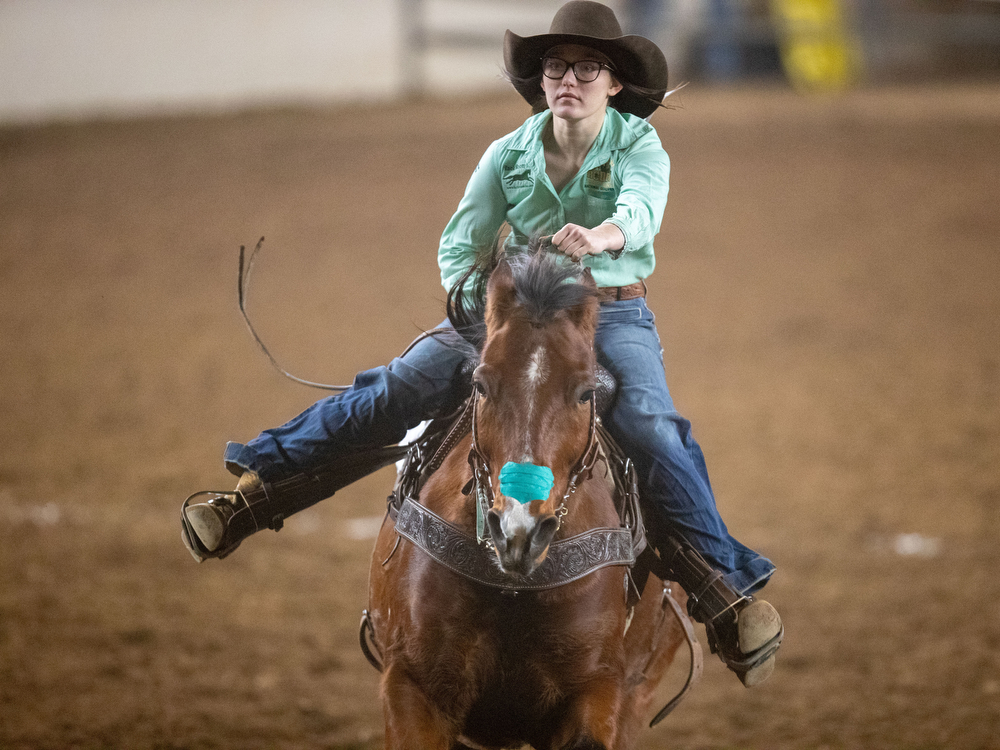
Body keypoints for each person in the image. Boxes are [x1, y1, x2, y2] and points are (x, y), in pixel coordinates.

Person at [181, 0, 782, 687]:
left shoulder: (639, 146)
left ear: (614, 83)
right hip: (507, 313)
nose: (570, 79)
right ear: (543, 79)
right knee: (400, 387)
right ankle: (255, 496)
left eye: (587, 67)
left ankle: (728, 595)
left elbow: (640, 211)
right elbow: (459, 246)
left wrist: (601, 238)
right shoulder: (508, 155)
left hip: (609, 312)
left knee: (649, 426)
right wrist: (490, 306)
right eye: (558, 66)